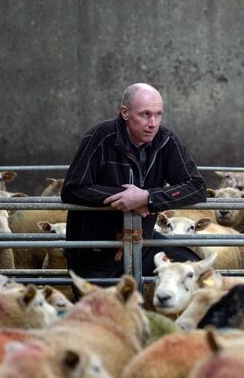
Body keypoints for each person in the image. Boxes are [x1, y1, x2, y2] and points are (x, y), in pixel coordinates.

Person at [61, 83, 206, 293]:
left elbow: (196, 186)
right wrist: (124, 199)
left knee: (198, 274)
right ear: (125, 113)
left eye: (158, 114)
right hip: (96, 249)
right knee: (106, 315)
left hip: (143, 240)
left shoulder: (165, 141)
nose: (153, 123)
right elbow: (73, 188)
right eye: (145, 114)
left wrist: (148, 197)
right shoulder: (101, 137)